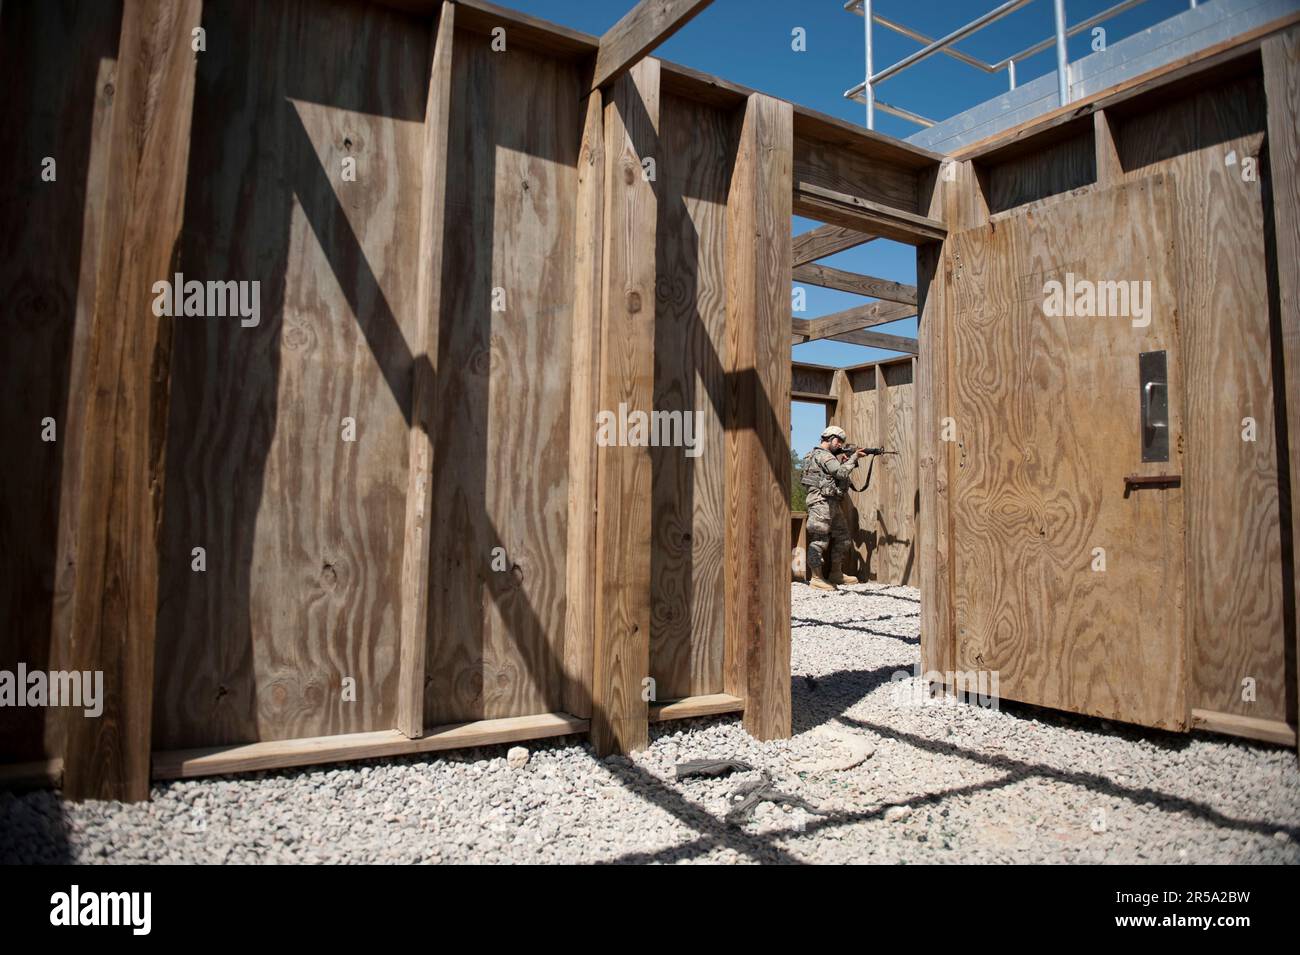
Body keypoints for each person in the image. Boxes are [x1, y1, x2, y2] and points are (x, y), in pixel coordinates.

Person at [800, 426, 866, 591]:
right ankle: (816, 577)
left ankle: (836, 573)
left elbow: (833, 475)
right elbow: (841, 474)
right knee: (820, 539)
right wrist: (855, 457)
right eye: (839, 441)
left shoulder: (820, 456)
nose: (840, 445)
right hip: (820, 503)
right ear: (830, 438)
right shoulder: (824, 456)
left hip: (832, 503)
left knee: (843, 537)